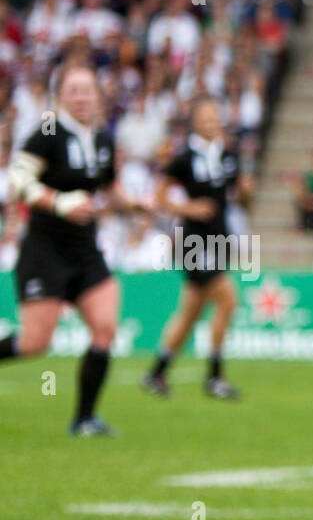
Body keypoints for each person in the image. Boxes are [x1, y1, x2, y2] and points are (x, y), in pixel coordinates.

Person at [1, 63, 139, 436]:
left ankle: (84, 419)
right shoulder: (48, 131)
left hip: (85, 249)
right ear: (60, 95)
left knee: (105, 329)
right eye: (73, 90)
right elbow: (18, 180)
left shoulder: (103, 140)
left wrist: (136, 204)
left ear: (98, 95)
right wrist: (59, 202)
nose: (81, 97)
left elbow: (109, 190)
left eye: (87, 90)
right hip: (44, 250)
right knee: (34, 344)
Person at [141, 96, 253, 400]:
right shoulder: (184, 157)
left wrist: (244, 192)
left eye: (214, 115)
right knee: (228, 301)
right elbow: (159, 197)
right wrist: (189, 208)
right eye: (205, 116)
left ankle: (156, 373)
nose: (211, 121)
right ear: (195, 121)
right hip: (194, 242)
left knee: (190, 312)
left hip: (220, 239)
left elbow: (240, 198)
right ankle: (214, 377)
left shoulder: (228, 154)